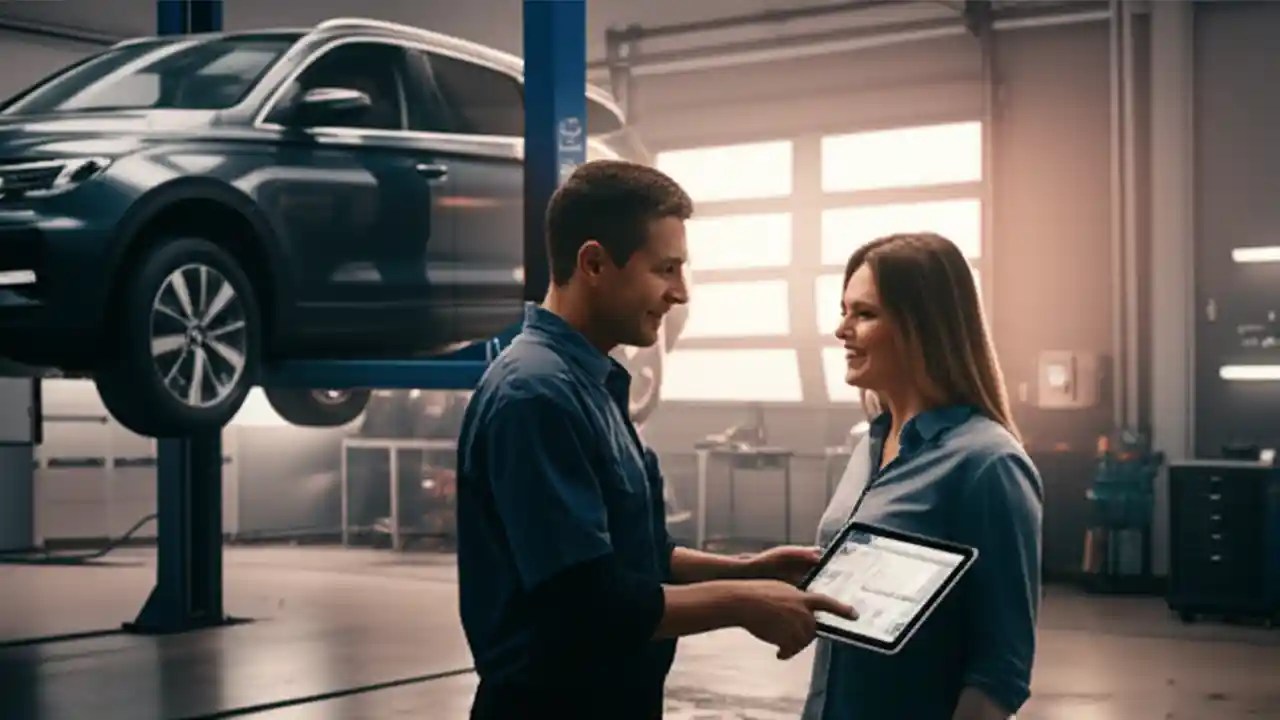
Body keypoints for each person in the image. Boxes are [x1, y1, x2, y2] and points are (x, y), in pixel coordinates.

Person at [454, 159, 857, 720]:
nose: (680, 293)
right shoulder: (536, 396)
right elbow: (585, 601)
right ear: (594, 263)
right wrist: (741, 603)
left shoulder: (590, 382)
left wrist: (744, 570)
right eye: (665, 269)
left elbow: (628, 557)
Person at [802, 232, 1043, 720]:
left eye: (864, 314)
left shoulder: (988, 464)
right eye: (843, 310)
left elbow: (1000, 671)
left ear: (924, 328)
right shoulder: (869, 447)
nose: (841, 330)